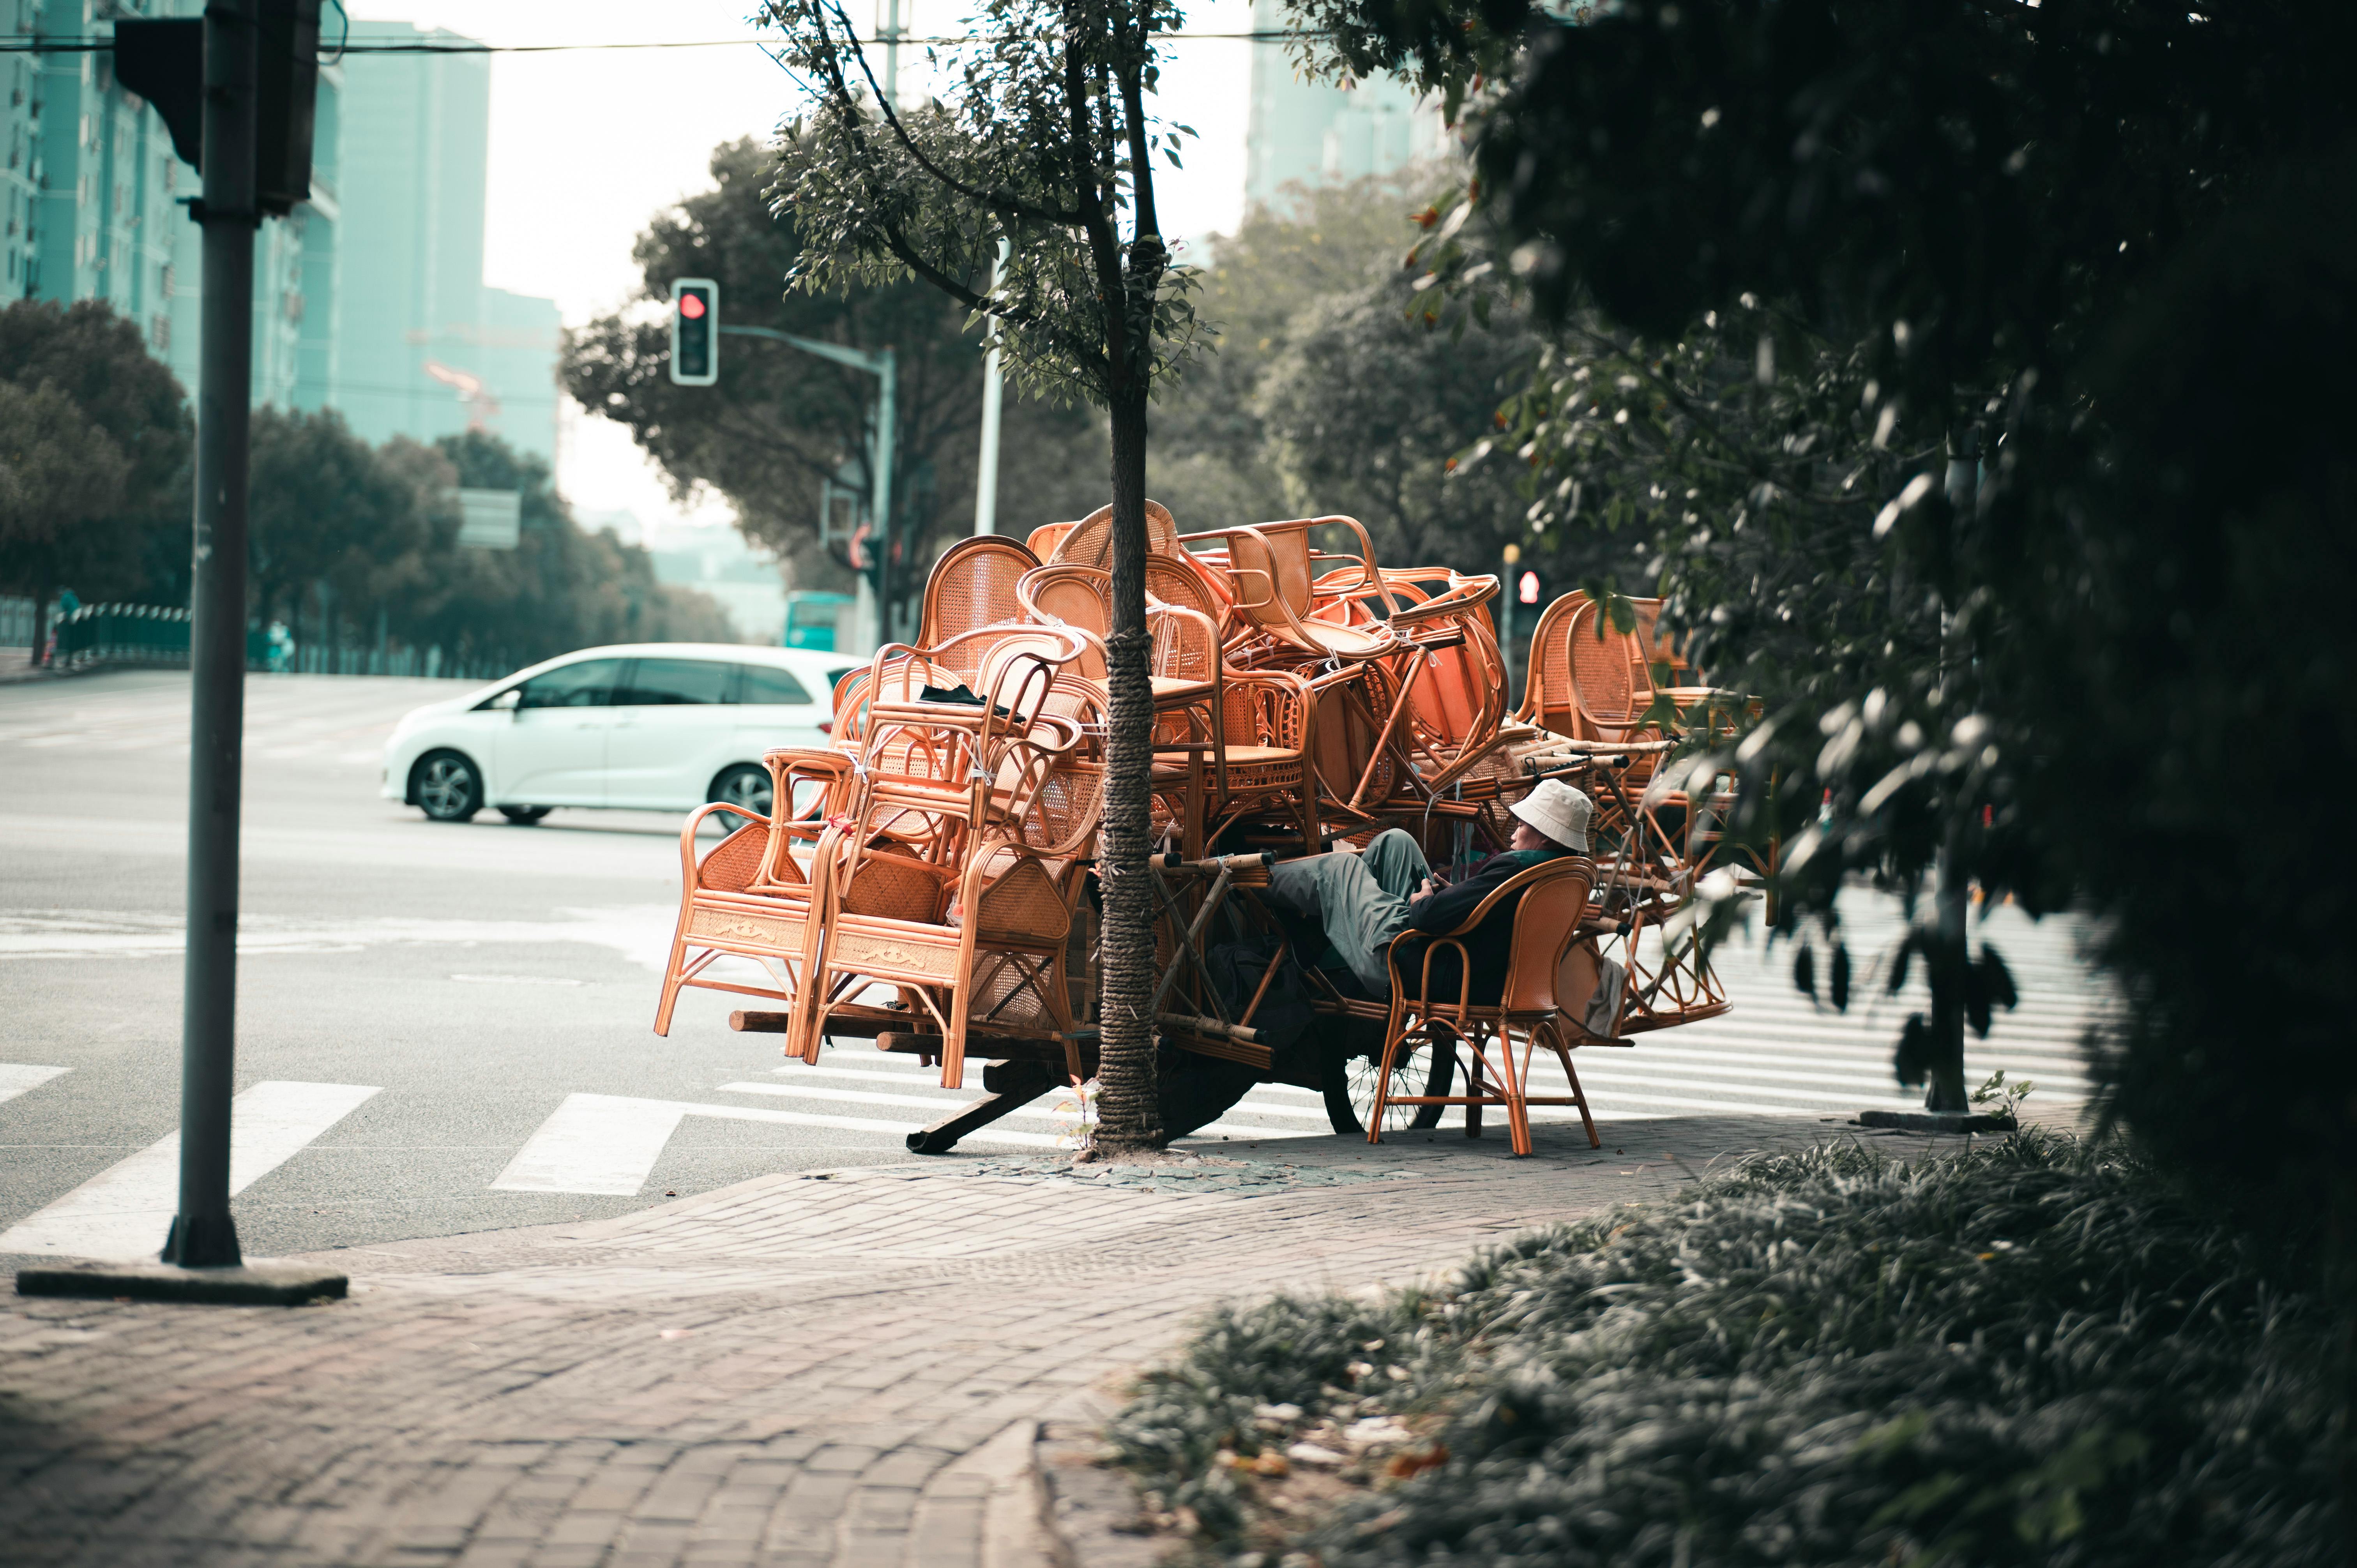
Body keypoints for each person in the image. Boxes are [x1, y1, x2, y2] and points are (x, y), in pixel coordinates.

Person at [1265, 778, 1595, 1004]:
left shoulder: (1517, 867)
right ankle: (1320, 936)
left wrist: (1426, 900)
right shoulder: (1560, 872)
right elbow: (1493, 917)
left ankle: (1250, 877)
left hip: (1414, 967)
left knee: (1341, 868)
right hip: (1468, 972)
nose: (1514, 832)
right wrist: (1459, 897)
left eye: (1523, 825)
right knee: (1396, 842)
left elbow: (1426, 915)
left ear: (1547, 838)